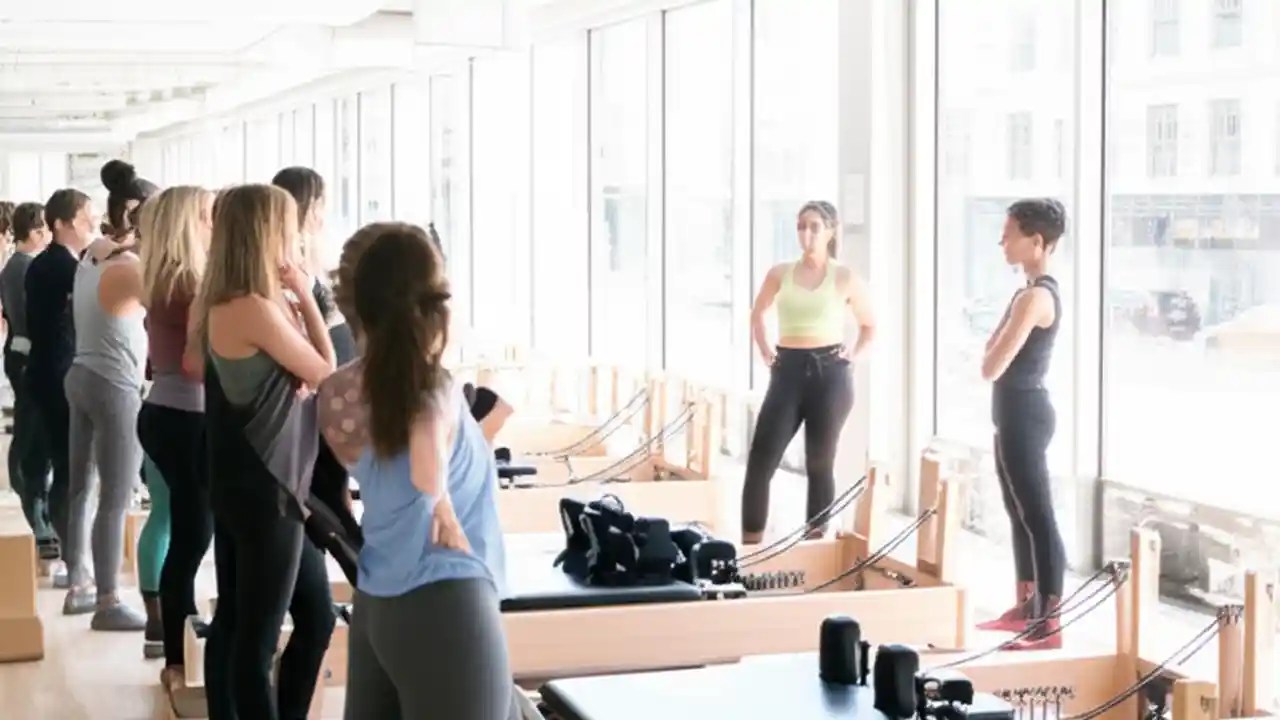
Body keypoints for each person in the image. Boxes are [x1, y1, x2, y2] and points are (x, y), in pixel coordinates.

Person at [318, 223, 515, 720]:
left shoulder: (341, 393)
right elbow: (426, 448)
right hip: (447, 596)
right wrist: (440, 499)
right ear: (435, 308)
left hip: (380, 600)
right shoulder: (435, 389)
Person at [199, 184, 336, 720]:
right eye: (289, 224)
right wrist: (305, 293)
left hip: (260, 486)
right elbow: (327, 371)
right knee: (255, 638)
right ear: (265, 232)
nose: (297, 234)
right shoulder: (253, 307)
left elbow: (312, 375)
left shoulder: (237, 301)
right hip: (267, 491)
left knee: (301, 617)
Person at [741, 201, 876, 544]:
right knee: (761, 460)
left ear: (830, 231)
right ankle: (749, 546)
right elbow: (757, 314)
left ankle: (813, 548)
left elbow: (869, 325)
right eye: (801, 225)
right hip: (787, 371)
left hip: (830, 375)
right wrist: (765, 350)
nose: (806, 233)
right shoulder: (779, 273)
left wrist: (853, 355)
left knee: (819, 463)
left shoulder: (844, 277)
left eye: (815, 226)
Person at [61, 170, 156, 629]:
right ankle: (107, 601)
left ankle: (78, 583)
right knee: (117, 496)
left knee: (82, 487)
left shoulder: (91, 256)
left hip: (80, 373)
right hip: (112, 383)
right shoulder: (130, 268)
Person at [975, 198, 1068, 651]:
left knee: (1038, 516)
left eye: (1009, 233)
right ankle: (1026, 606)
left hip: (1026, 413)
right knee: (1018, 513)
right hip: (1010, 412)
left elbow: (992, 363)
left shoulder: (1036, 297)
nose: (1001, 241)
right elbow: (990, 357)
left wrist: (991, 356)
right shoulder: (1024, 294)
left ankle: (1048, 623)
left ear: (1036, 242)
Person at [136, 186, 215, 668]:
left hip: (166, 412)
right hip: (185, 416)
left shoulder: (163, 276)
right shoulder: (187, 282)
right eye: (207, 215)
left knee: (186, 530)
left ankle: (174, 642)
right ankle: (178, 652)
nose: (214, 224)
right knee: (192, 536)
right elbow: (196, 363)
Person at [25, 189, 96, 586]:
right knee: (69, 470)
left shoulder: (53, 264)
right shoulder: (60, 267)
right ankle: (74, 561)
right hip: (58, 377)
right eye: (84, 218)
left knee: (67, 468)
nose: (91, 225)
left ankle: (73, 557)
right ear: (60, 224)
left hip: (51, 373)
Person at [0, 202, 54, 549]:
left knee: (30, 432)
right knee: (31, 437)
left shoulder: (13, 267)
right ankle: (35, 510)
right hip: (28, 358)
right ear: (36, 232)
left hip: (20, 355)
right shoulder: (24, 269)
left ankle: (37, 506)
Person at [270, 166, 357, 365]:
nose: (322, 214)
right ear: (306, 206)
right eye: (319, 205)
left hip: (335, 343)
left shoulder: (319, 244)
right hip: (322, 351)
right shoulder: (286, 255)